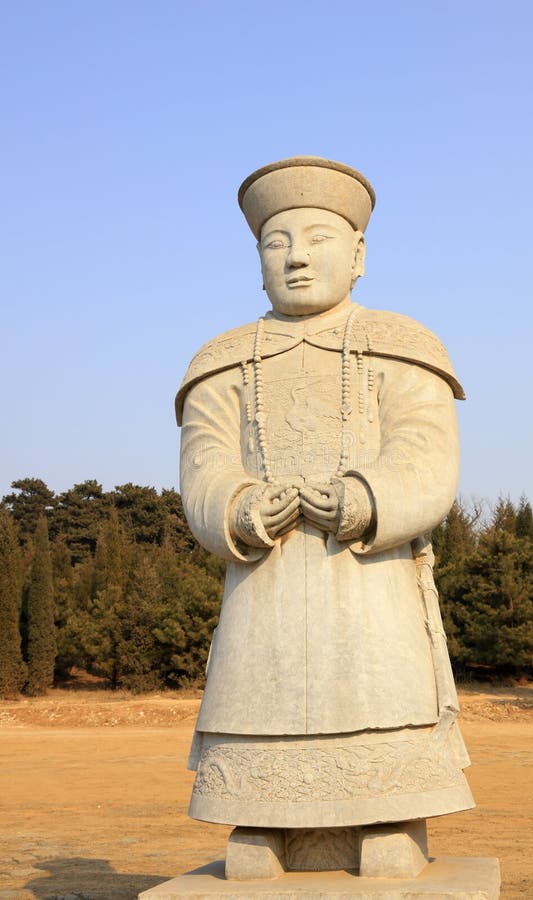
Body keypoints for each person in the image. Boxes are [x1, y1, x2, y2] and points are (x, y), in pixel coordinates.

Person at [176, 157, 473, 877]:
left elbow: (428, 456)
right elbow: (202, 469)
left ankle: (388, 813)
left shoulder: (404, 346)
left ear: (360, 254)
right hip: (264, 587)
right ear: (258, 259)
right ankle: (264, 821)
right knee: (259, 693)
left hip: (371, 581)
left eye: (317, 236)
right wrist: (241, 506)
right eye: (276, 241)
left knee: (380, 684)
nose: (298, 255)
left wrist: (366, 497)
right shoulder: (220, 364)